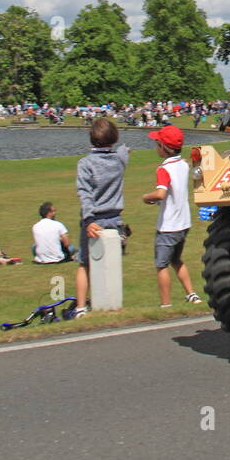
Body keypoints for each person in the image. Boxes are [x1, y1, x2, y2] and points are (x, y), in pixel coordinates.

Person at [73, 118, 130, 318]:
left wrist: (88, 220)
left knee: (84, 263)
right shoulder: (120, 160)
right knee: (112, 264)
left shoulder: (85, 164)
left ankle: (81, 307)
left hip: (94, 219)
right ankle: (111, 302)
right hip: (115, 218)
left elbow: (85, 194)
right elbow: (123, 150)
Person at [141, 125, 203, 308]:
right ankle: (192, 294)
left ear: (163, 147)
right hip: (184, 223)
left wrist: (146, 198)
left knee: (161, 265)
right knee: (176, 260)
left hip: (168, 226)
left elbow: (160, 194)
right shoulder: (183, 165)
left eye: (157, 143)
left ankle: (165, 304)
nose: (155, 146)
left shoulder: (163, 169)